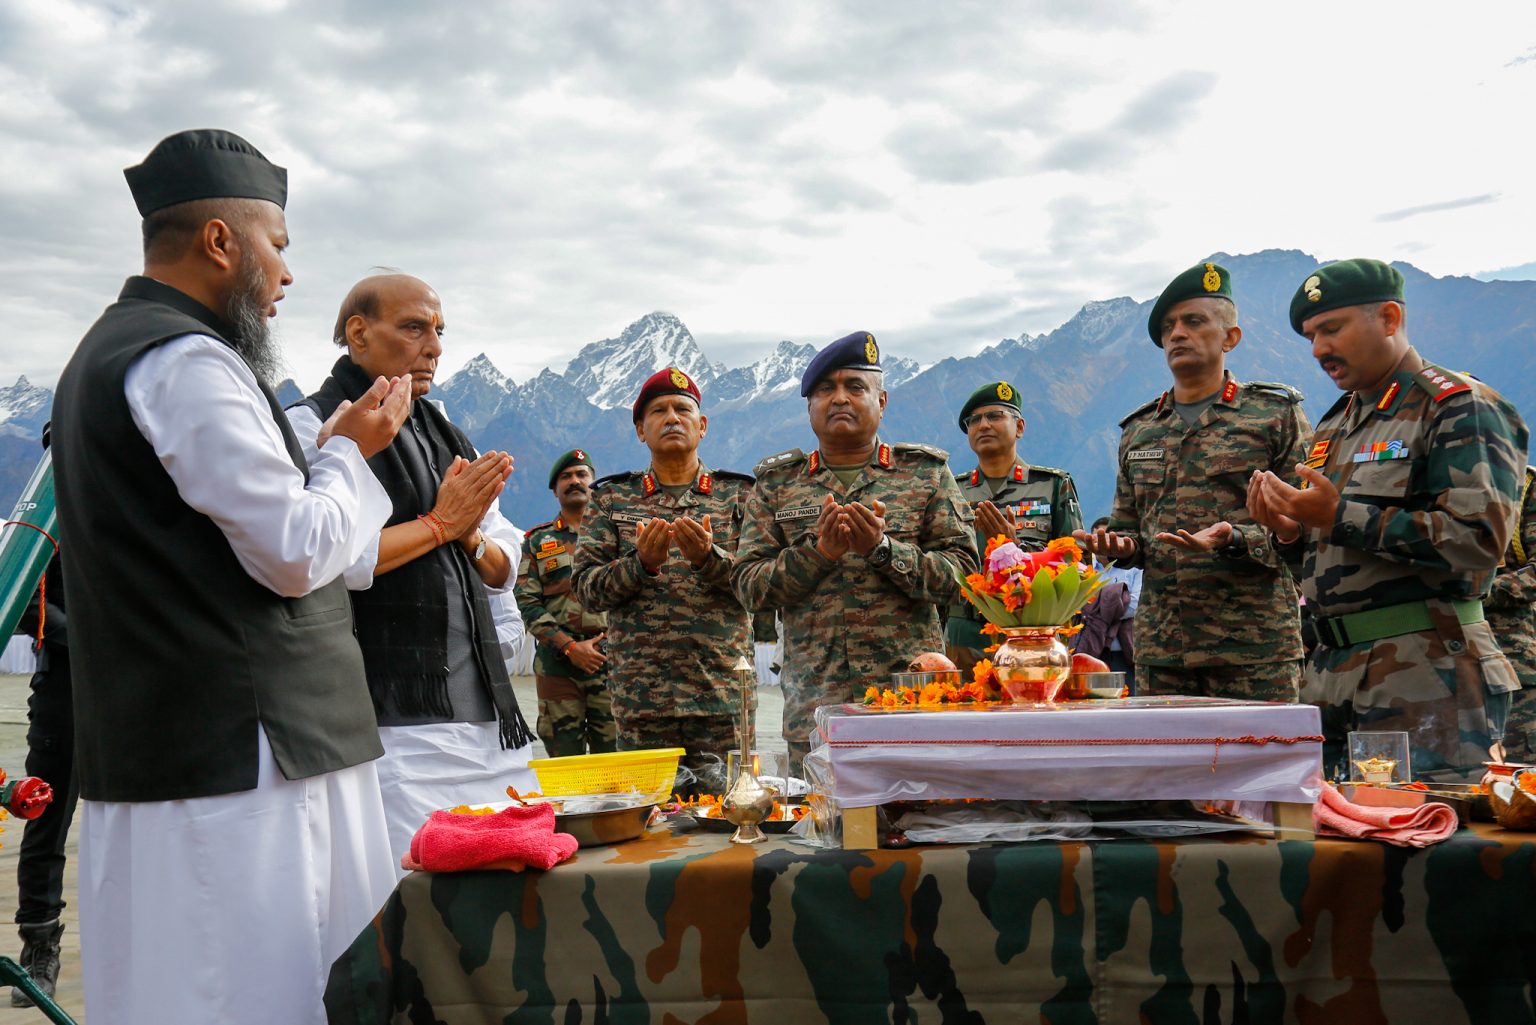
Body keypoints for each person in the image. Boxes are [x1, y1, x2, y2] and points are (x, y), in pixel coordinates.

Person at [51, 129, 410, 1025]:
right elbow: (290, 548)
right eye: (278, 246)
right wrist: (348, 453)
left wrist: (333, 463)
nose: (287, 275)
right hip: (245, 762)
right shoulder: (186, 360)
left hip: (223, 751)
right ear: (221, 242)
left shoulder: (140, 351)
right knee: (256, 990)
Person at [288, 272, 535, 870]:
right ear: (358, 333)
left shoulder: (449, 433)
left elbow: (503, 567)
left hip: (485, 713)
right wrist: (440, 526)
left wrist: (468, 533)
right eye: (414, 328)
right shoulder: (312, 425)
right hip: (389, 718)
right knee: (412, 896)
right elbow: (325, 557)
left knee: (511, 884)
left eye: (439, 331)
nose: (435, 347)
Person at [1250, 258, 1529, 782]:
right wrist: (1290, 532)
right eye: (1311, 335)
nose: (1318, 350)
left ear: (1390, 318)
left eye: (1332, 329)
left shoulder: (1455, 407)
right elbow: (1326, 558)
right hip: (1334, 675)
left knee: (1432, 842)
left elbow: (1479, 540)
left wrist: (1337, 516)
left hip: (1428, 677)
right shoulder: (1335, 425)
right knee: (1340, 850)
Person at [732, 332, 978, 767]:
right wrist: (819, 553)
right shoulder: (775, 484)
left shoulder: (925, 475)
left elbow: (962, 578)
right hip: (815, 703)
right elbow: (748, 586)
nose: (840, 398)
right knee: (819, 828)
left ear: (882, 401)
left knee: (916, 822)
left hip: (909, 695)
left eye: (855, 387)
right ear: (809, 407)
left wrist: (883, 551)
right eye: (826, 390)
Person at [1077, 261, 1310, 703]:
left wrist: (1235, 538)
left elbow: (1305, 527)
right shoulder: (1139, 430)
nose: (1177, 334)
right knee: (1170, 770)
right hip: (1163, 650)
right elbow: (1130, 529)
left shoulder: (1273, 415)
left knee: (1263, 769)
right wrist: (1118, 546)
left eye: (1193, 321)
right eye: (1169, 327)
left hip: (1254, 647)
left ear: (1230, 337)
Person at [573, 368, 754, 787]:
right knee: (648, 825)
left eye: (682, 408)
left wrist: (709, 558)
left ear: (702, 425)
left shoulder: (741, 496)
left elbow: (761, 586)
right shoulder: (611, 498)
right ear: (640, 430)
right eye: (658, 411)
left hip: (720, 694)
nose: (671, 417)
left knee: (727, 816)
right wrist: (641, 565)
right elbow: (586, 591)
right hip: (642, 700)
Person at [945, 380, 1083, 670]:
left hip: (1032, 631)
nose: (983, 425)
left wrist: (1017, 550)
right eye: (974, 420)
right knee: (964, 712)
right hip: (964, 636)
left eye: (994, 416)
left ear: (1019, 427)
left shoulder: (1051, 486)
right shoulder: (950, 491)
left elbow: (1077, 565)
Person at [9, 502, 74, 1009]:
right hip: (68, 686)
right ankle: (39, 947)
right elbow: (23, 600)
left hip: (143, 683)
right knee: (45, 815)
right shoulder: (44, 520)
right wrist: (91, 638)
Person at [516, 449, 616, 756]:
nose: (575, 481)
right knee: (563, 759)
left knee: (616, 760)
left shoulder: (616, 537)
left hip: (611, 663)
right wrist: (570, 647)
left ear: (593, 483)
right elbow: (527, 601)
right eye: (566, 477)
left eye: (582, 474)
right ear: (555, 489)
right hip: (558, 667)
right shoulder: (538, 541)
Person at [1488, 465, 1536, 762]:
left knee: (1520, 784)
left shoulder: (1523, 486)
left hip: (1512, 666)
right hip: (1431, 665)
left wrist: (1479, 591)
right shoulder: (1422, 479)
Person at [1071, 515, 1142, 685]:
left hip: (1125, 651)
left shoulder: (1134, 568)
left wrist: (1094, 605)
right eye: (1097, 537)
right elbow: (1075, 603)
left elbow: (1135, 605)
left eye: (1108, 537)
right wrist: (1115, 598)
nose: (1102, 542)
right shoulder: (1083, 569)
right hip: (1090, 652)